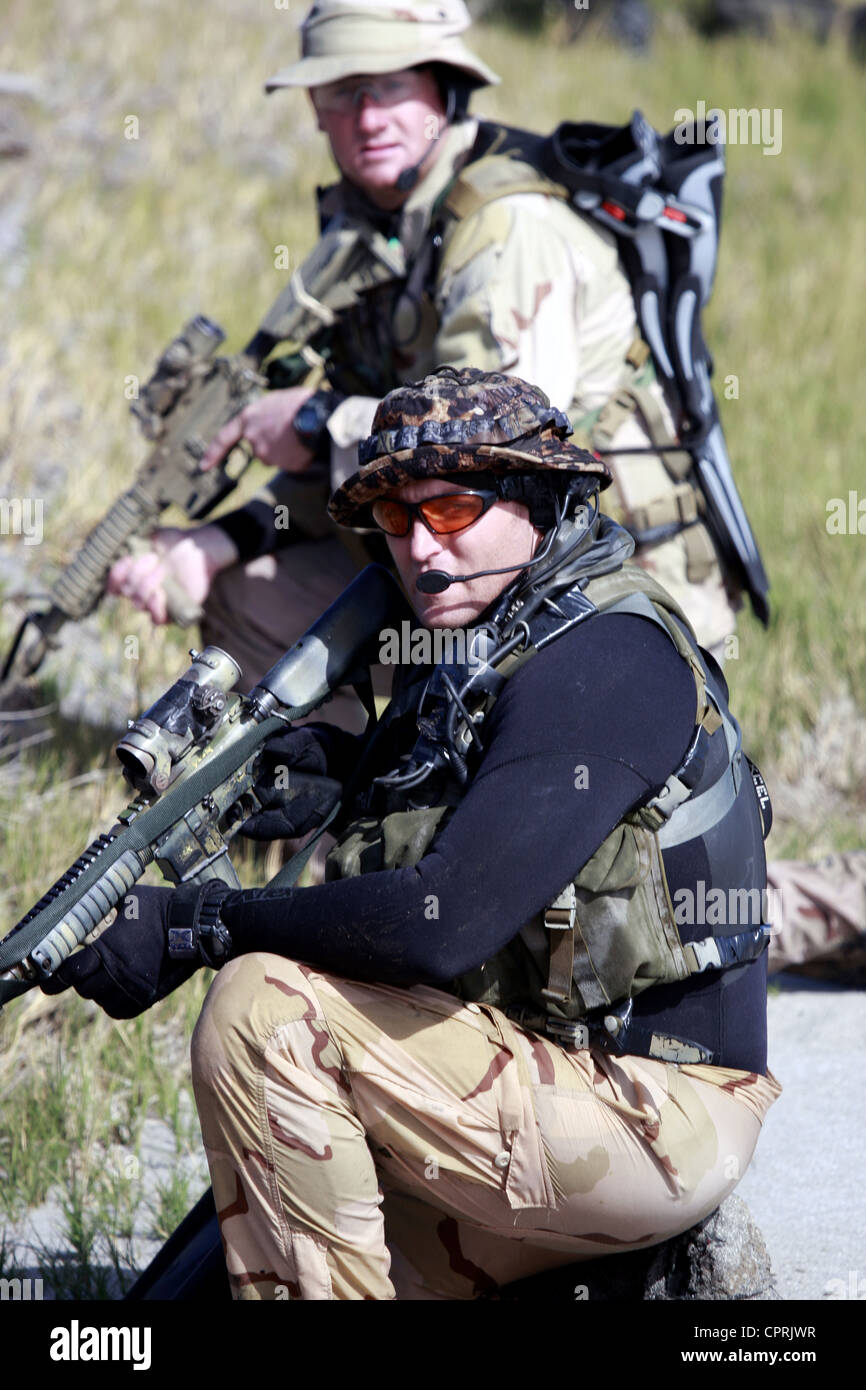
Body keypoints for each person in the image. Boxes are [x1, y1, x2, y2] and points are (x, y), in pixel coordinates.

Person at [105, 0, 866, 975]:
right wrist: (222, 538)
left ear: (443, 88)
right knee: (249, 596)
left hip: (604, 599)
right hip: (473, 568)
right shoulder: (380, 232)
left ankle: (824, 903)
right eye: (340, 94)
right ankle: (353, 857)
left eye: (388, 88)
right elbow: (397, 490)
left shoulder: (504, 229)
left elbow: (496, 445)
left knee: (614, 904)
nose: (365, 116)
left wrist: (318, 419)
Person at [49, 368, 780, 1300]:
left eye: (454, 510)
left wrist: (197, 926)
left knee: (262, 1010)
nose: (424, 548)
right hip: (539, 1074)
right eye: (398, 519)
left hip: (659, 1114)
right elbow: (468, 809)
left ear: (541, 501)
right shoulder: (483, 638)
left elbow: (441, 921)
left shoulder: (607, 658)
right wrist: (335, 775)